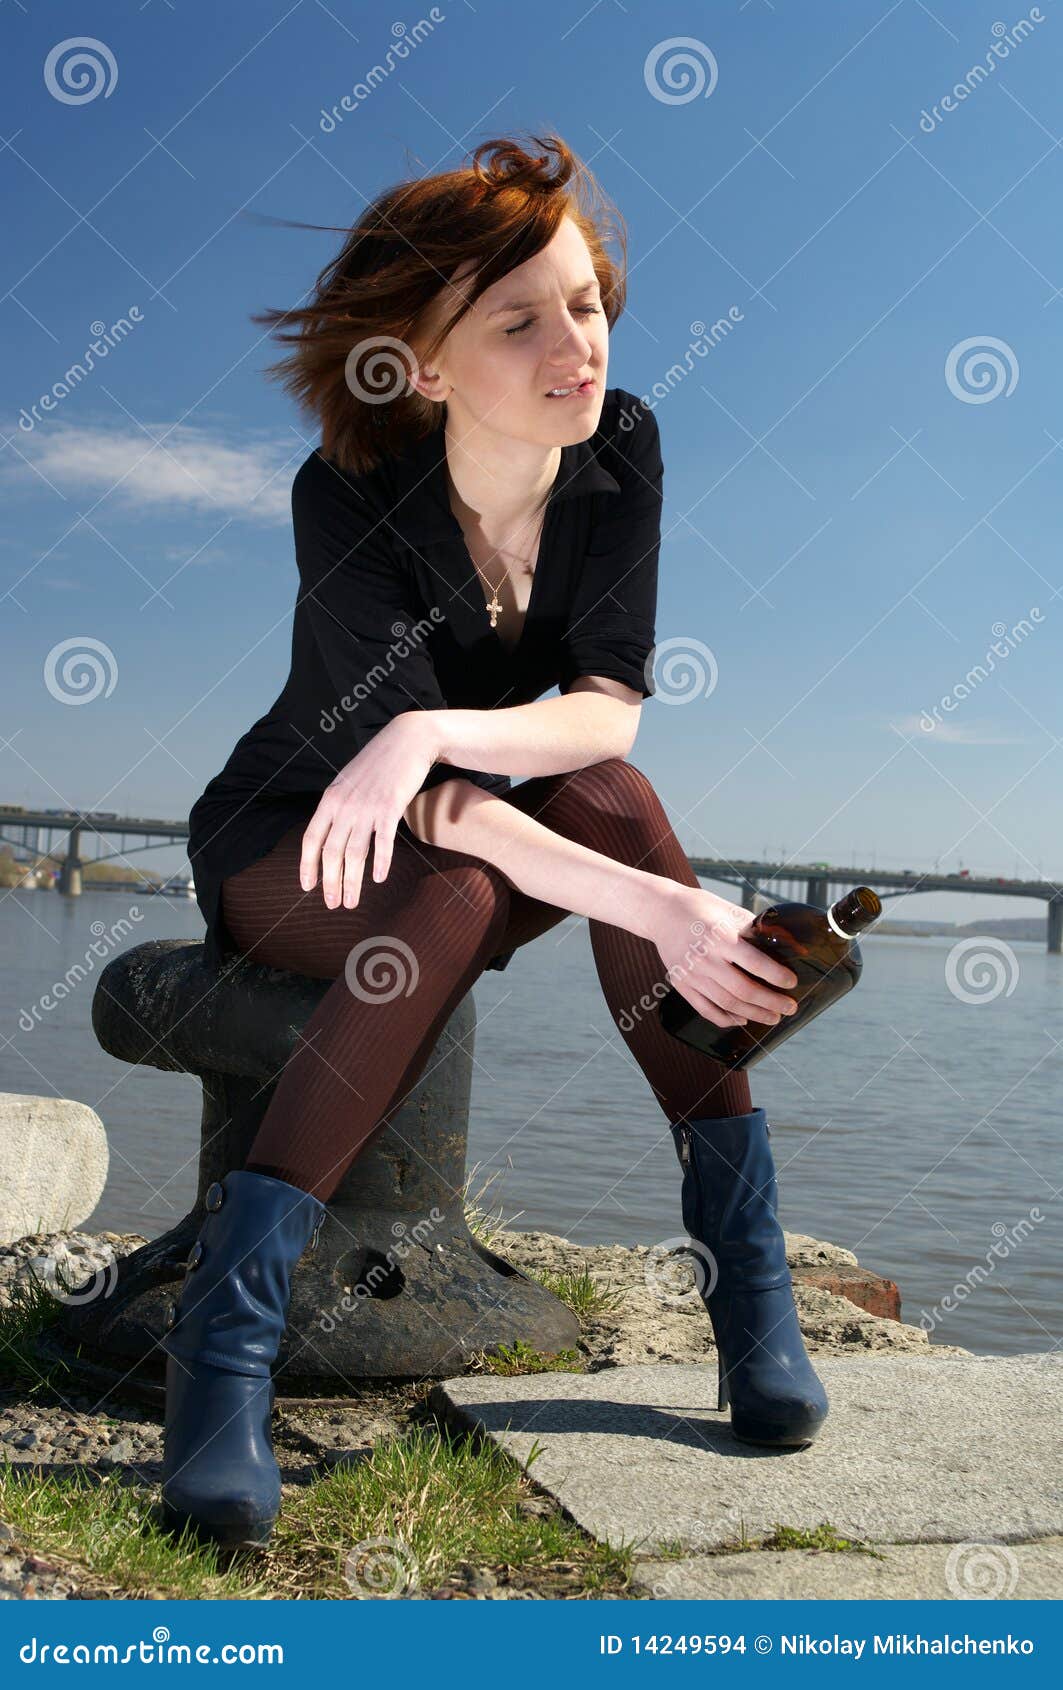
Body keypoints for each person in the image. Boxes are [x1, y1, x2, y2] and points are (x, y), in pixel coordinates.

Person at [160, 133, 827, 1552]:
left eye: (584, 304)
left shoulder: (620, 447)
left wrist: (432, 734)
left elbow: (605, 717)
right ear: (427, 363)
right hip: (299, 845)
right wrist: (670, 912)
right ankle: (221, 1364)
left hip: (454, 829)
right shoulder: (344, 496)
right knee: (482, 869)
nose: (575, 345)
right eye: (520, 320)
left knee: (617, 812)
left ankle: (750, 1299)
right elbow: (435, 815)